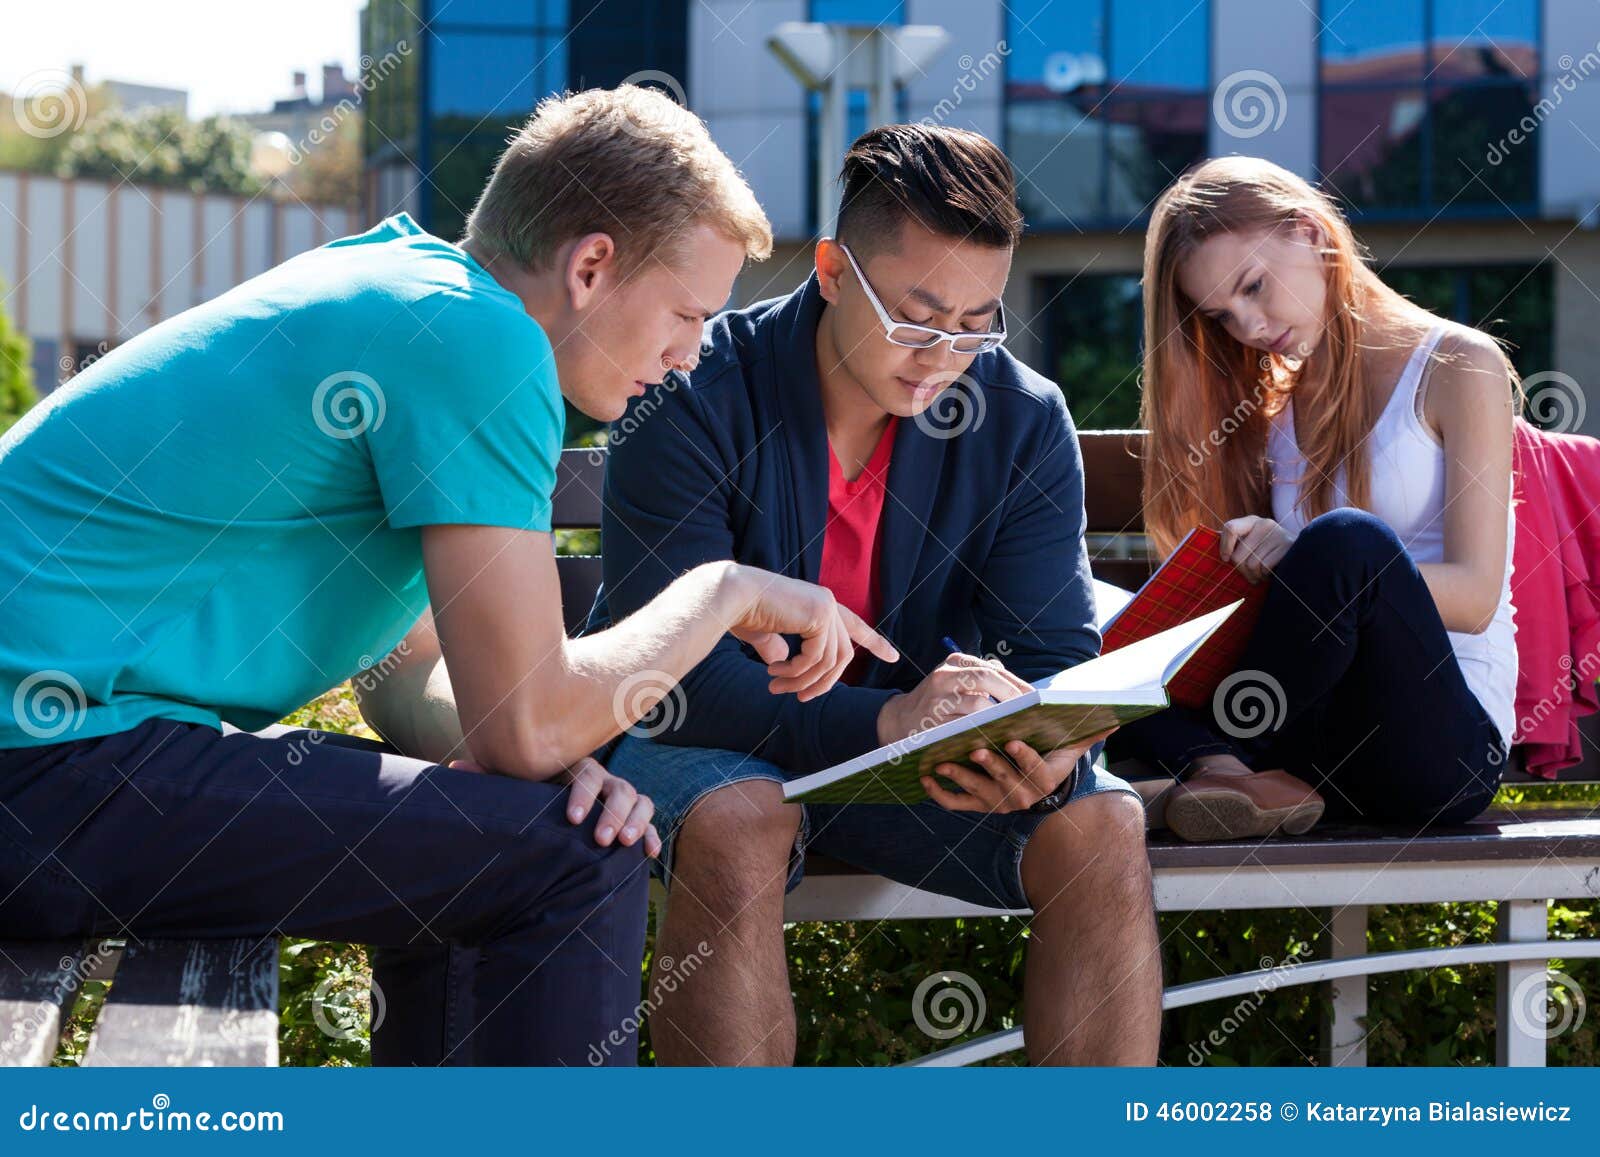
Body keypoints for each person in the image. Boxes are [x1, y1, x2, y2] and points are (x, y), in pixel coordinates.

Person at [0, 85, 893, 1067]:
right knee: (574, 862)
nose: (687, 360)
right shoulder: (477, 340)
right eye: (686, 313)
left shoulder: (410, 294)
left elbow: (409, 672)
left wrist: (546, 765)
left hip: (65, 761)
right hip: (43, 767)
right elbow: (526, 720)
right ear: (592, 264)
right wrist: (722, 591)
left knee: (536, 832)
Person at [585, 124, 1158, 1066]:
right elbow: (675, 679)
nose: (943, 356)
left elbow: (1056, 652)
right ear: (831, 272)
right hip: (707, 745)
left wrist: (1045, 745)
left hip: (917, 762)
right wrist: (890, 718)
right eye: (917, 316)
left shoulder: (1019, 420)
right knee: (741, 819)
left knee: (1104, 822)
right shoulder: (689, 391)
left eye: (977, 324)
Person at [1116, 155, 1517, 843]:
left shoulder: (1458, 365)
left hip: (1436, 746)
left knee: (1348, 544)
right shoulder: (1270, 412)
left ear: (1309, 231)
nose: (1246, 325)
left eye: (1253, 287)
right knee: (1117, 669)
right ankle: (1228, 774)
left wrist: (1300, 559)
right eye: (1222, 314)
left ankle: (1208, 763)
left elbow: (1478, 595)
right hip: (1313, 746)